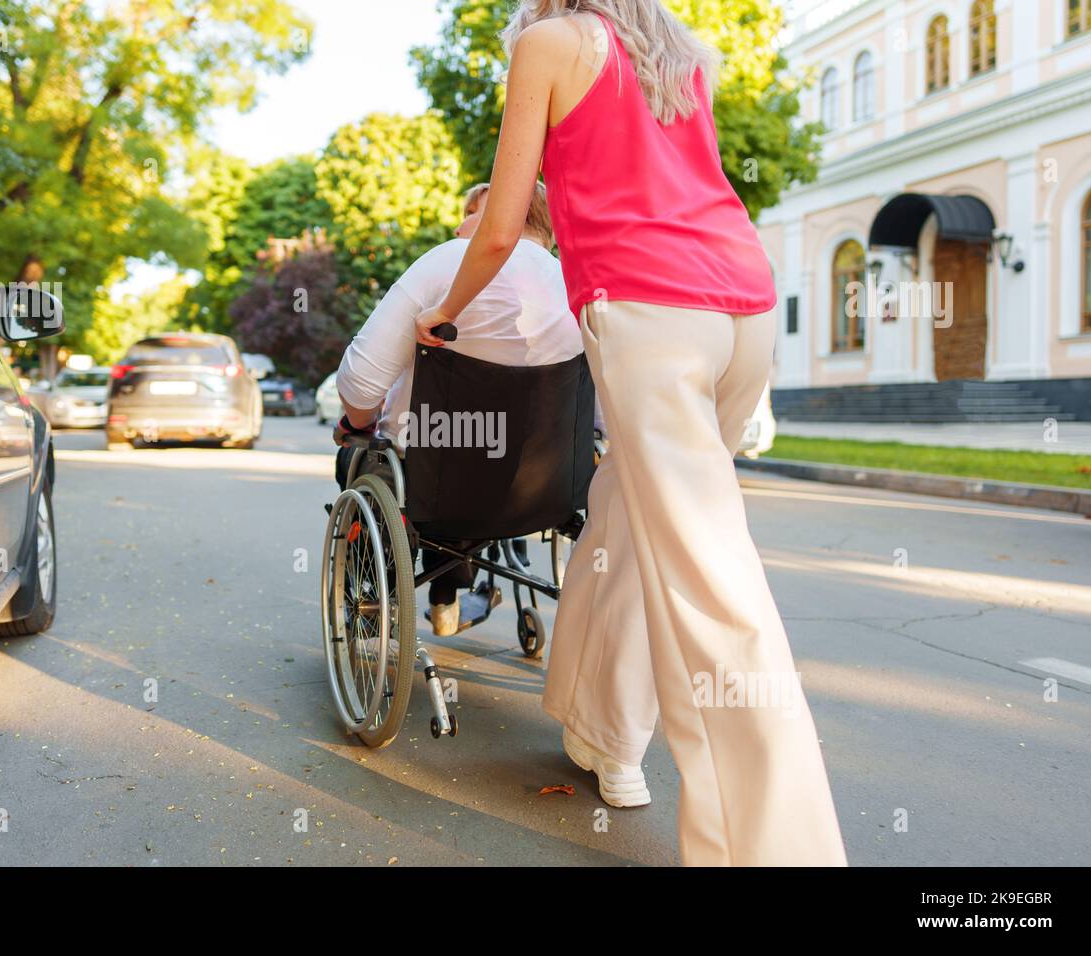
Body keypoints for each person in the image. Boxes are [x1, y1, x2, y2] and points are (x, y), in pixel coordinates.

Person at [410, 0, 847, 866]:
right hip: (743, 309)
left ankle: (775, 850)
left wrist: (444, 315)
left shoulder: (545, 43)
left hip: (651, 314)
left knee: (714, 587)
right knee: (622, 523)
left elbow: (502, 226)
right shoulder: (678, 53)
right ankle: (606, 734)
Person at [332, 180, 580, 636]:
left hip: (434, 479)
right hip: (545, 490)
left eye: (471, 213)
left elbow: (362, 384)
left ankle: (370, 590)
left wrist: (355, 423)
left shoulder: (447, 261)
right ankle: (448, 597)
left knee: (365, 455)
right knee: (449, 461)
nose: (459, 224)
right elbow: (600, 411)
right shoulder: (580, 284)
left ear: (500, 219)